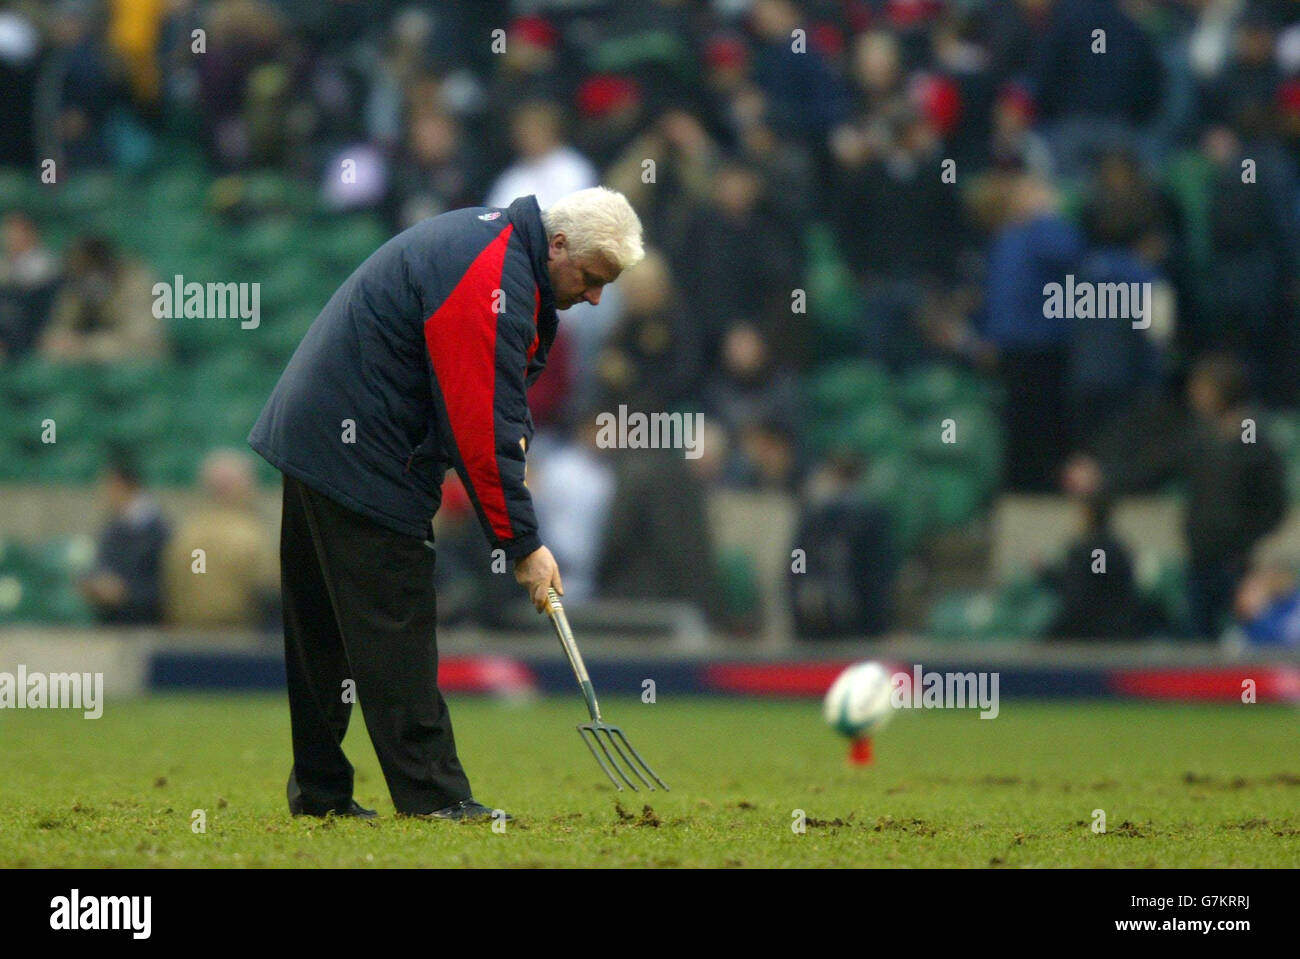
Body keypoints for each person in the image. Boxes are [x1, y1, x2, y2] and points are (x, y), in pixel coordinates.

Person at [248, 187, 644, 820]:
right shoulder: (493, 274)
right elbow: (481, 424)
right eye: (592, 279)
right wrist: (522, 544)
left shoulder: (492, 246)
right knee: (395, 626)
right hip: (360, 450)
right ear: (560, 244)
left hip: (316, 433)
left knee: (322, 629)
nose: (594, 297)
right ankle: (435, 798)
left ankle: (321, 794)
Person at [1064, 353, 1287, 639]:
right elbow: (1154, 470)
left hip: (1236, 561)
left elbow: (1273, 505)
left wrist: (1243, 538)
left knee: (1240, 636)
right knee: (1197, 638)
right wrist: (1105, 477)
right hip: (1200, 557)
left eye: (1201, 388)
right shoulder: (1200, 439)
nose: (1194, 395)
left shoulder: (1255, 443)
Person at [161, 449, 279, 630]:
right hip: (240, 638)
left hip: (186, 636)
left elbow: (174, 583)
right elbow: (269, 586)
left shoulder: (187, 533)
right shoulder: (250, 535)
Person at [80, 452, 170, 626]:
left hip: (145, 625)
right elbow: (102, 567)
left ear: (121, 486)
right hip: (113, 623)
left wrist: (125, 594)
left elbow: (164, 585)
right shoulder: (112, 528)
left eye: (107, 487)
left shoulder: (158, 531)